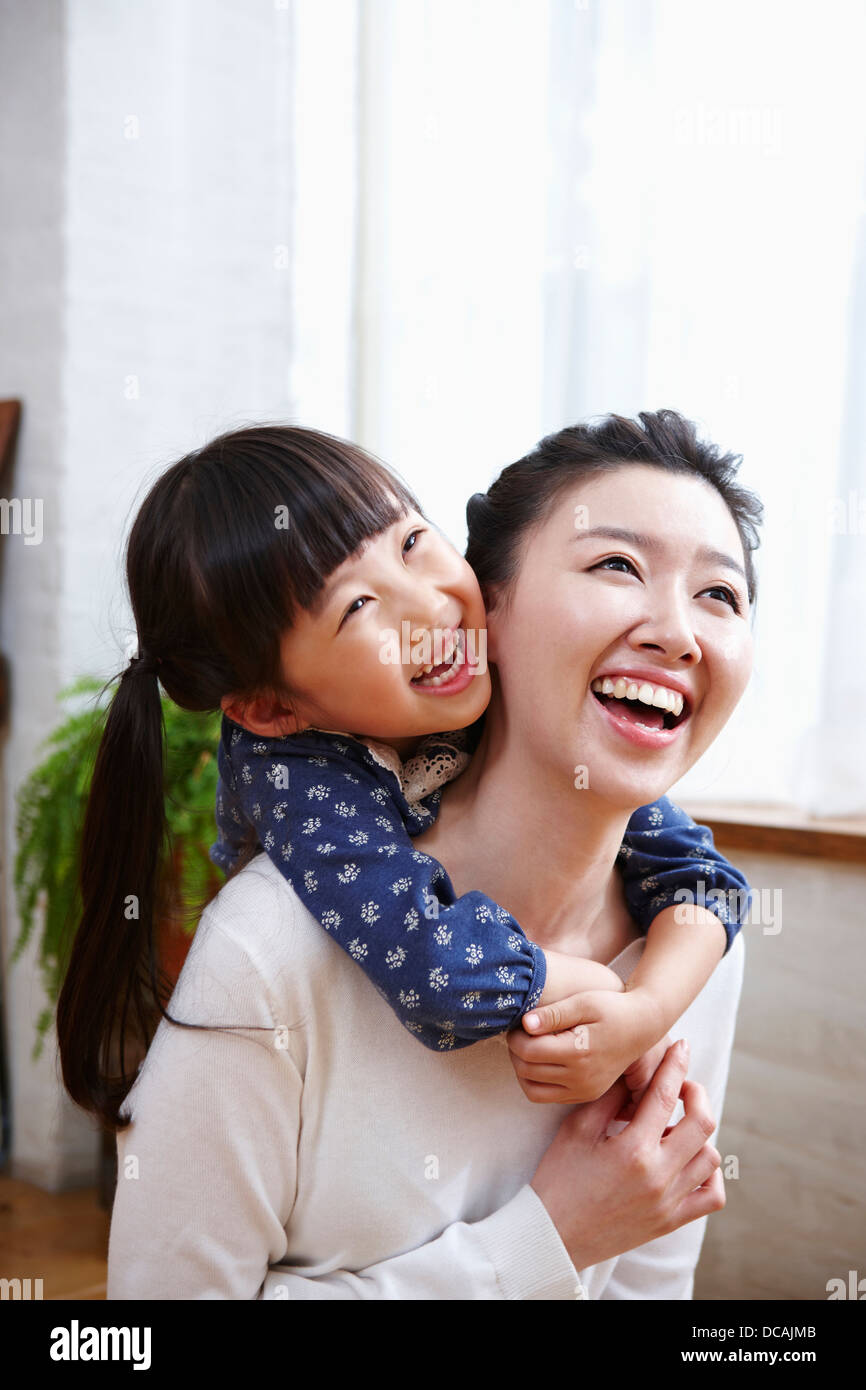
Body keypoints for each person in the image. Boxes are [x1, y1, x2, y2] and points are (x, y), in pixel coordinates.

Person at [99, 409, 760, 1297]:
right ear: (499, 596)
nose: (677, 632)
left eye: (720, 594)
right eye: (615, 565)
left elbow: (651, 1287)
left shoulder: (691, 946)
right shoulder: (274, 945)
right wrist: (550, 1237)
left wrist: (647, 1005)